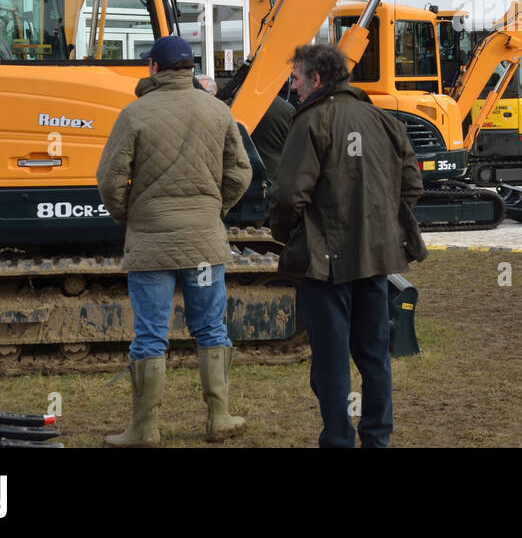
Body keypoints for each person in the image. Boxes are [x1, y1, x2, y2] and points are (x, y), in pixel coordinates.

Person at [96, 35, 253, 447]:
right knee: (210, 328)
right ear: (189, 67)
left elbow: (110, 179)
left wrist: (128, 216)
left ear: (153, 68)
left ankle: (145, 428)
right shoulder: (219, 112)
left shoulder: (134, 115)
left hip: (151, 244)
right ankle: (219, 418)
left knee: (150, 334)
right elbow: (240, 172)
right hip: (203, 244)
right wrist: (213, 209)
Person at [271, 43, 426, 448]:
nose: (293, 87)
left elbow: (289, 194)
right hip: (375, 261)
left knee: (331, 360)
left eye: (296, 79)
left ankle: (338, 438)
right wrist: (377, 226)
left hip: (326, 267)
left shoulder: (311, 122)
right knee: (374, 357)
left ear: (316, 79)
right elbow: (411, 185)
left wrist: (288, 234)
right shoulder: (384, 120)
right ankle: (377, 439)